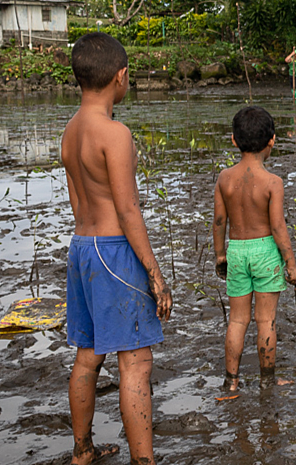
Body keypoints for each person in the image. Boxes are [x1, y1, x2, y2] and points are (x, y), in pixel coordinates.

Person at [61, 32, 173, 465]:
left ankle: (83, 450)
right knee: (136, 361)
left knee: (88, 354)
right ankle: (144, 461)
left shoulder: (70, 131)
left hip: (82, 248)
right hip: (112, 251)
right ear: (121, 77)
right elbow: (128, 211)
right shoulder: (115, 133)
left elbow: (76, 203)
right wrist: (154, 273)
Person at [213, 106, 296, 391]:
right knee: (266, 320)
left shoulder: (224, 179)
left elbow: (219, 221)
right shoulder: (272, 182)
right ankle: (267, 381)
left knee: (238, 321)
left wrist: (220, 255)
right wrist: (291, 264)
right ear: (272, 140)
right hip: (265, 252)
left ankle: (231, 382)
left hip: (237, 250)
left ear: (233, 140)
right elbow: (278, 227)